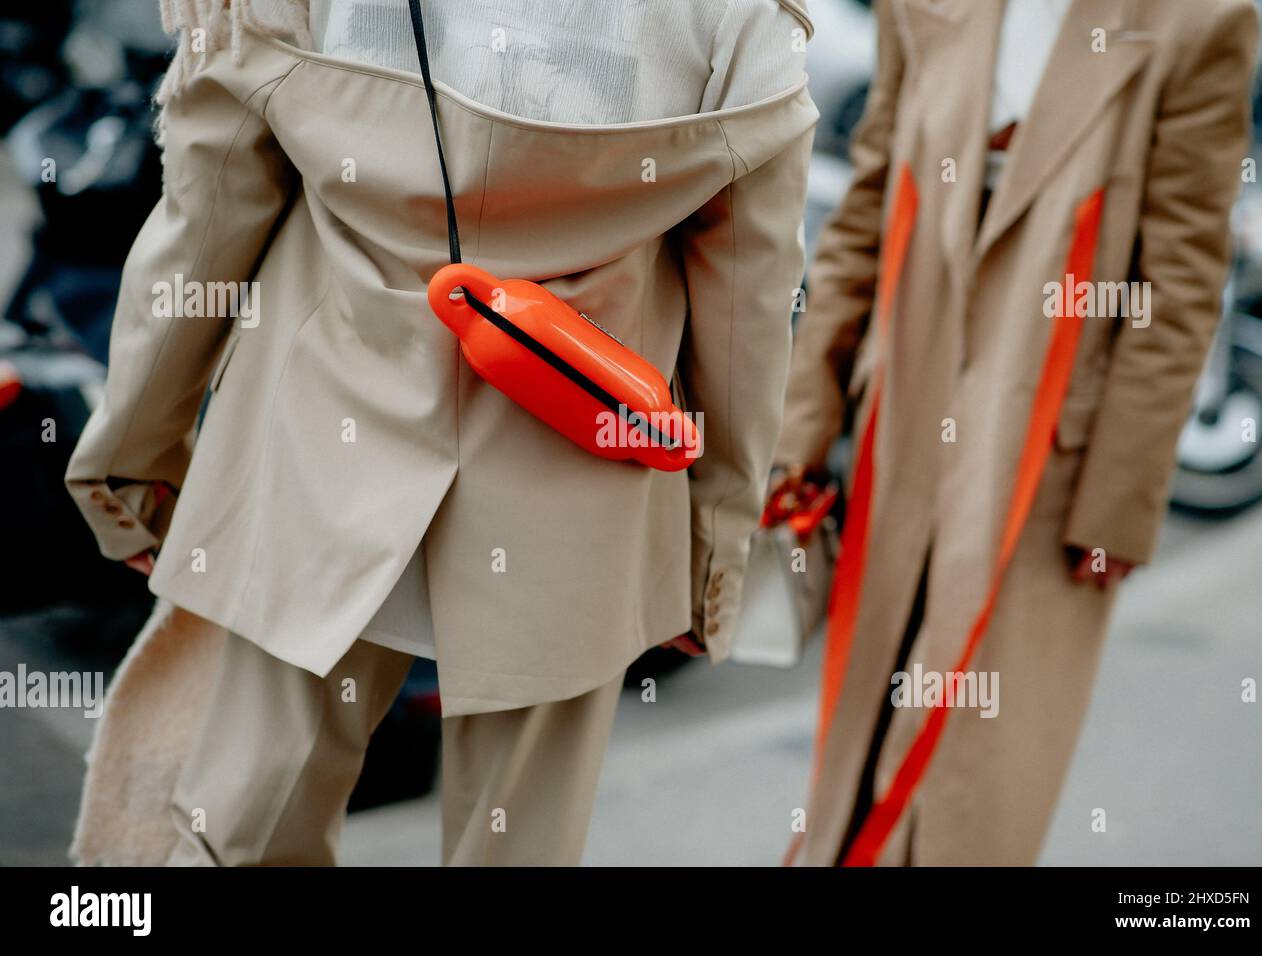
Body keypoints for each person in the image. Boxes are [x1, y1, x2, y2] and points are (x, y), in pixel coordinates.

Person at [65, 0, 816, 866]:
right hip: (575, 478)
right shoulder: (749, 15)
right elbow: (747, 306)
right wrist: (711, 554)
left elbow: (212, 202)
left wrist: (131, 459)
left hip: (327, 451)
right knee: (517, 843)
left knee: (249, 826)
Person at [775, 0, 1257, 866]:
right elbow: (867, 209)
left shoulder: (1198, 22)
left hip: (1051, 455)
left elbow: (1178, 281)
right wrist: (802, 426)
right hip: (905, 413)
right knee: (863, 739)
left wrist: (1117, 504)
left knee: (972, 782)